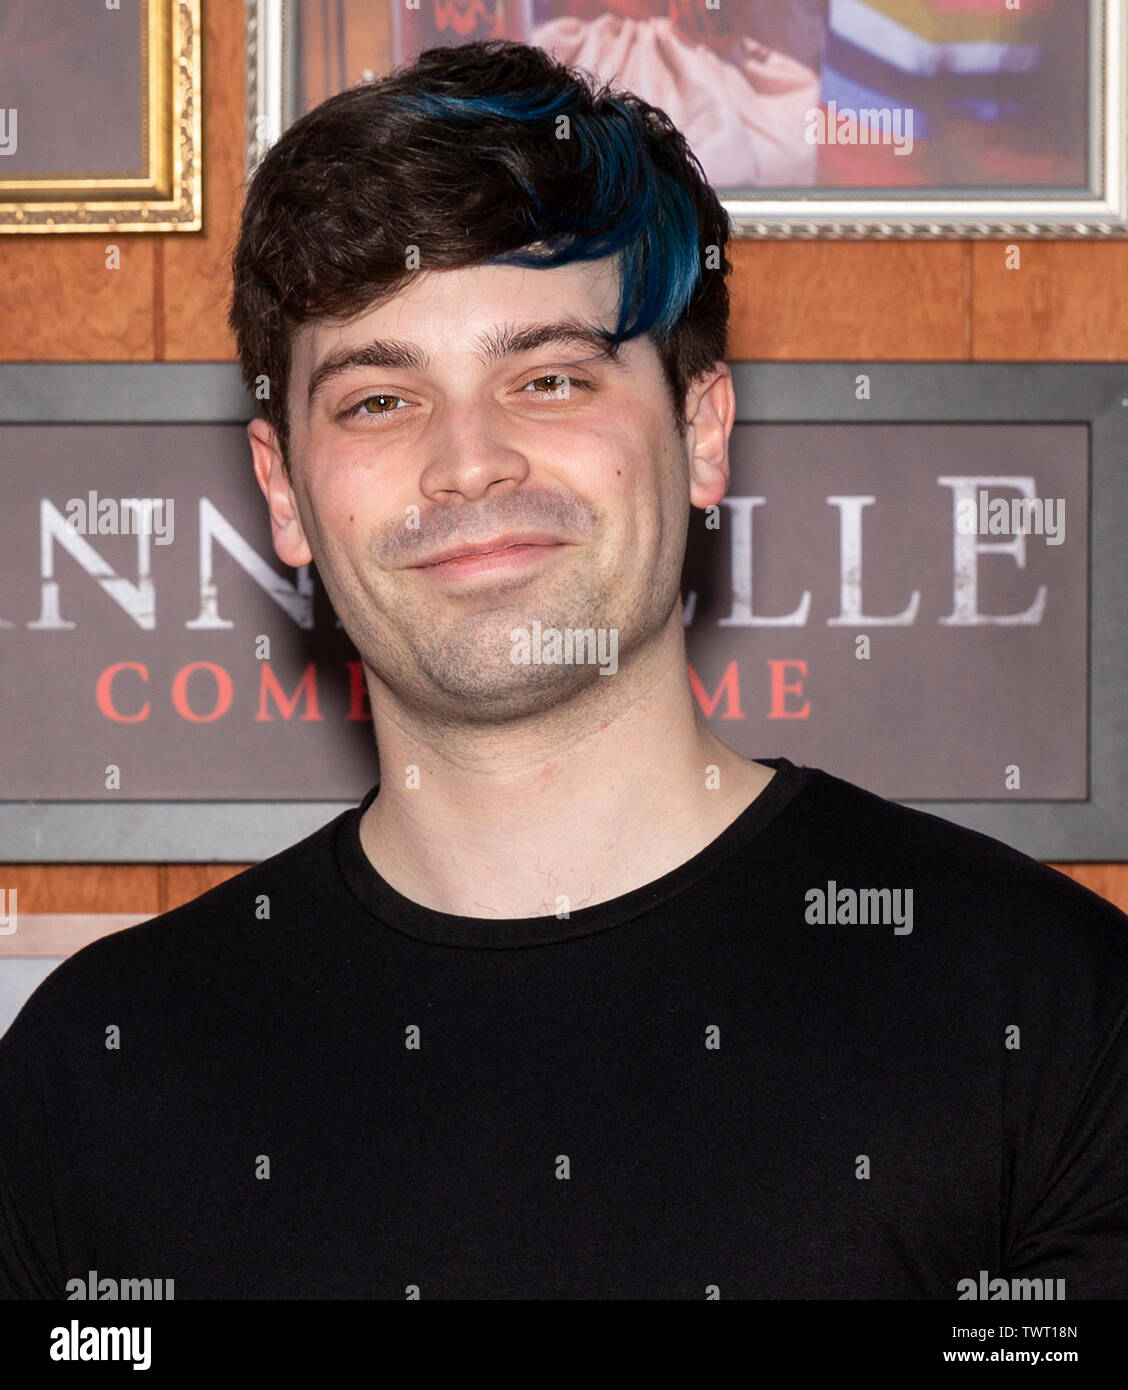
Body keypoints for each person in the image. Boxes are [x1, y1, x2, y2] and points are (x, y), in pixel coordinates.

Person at [2, 39, 1126, 1300]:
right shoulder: (94, 1076)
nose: (468, 461)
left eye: (548, 377)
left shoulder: (1043, 1014)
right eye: (379, 399)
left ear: (700, 432)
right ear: (284, 490)